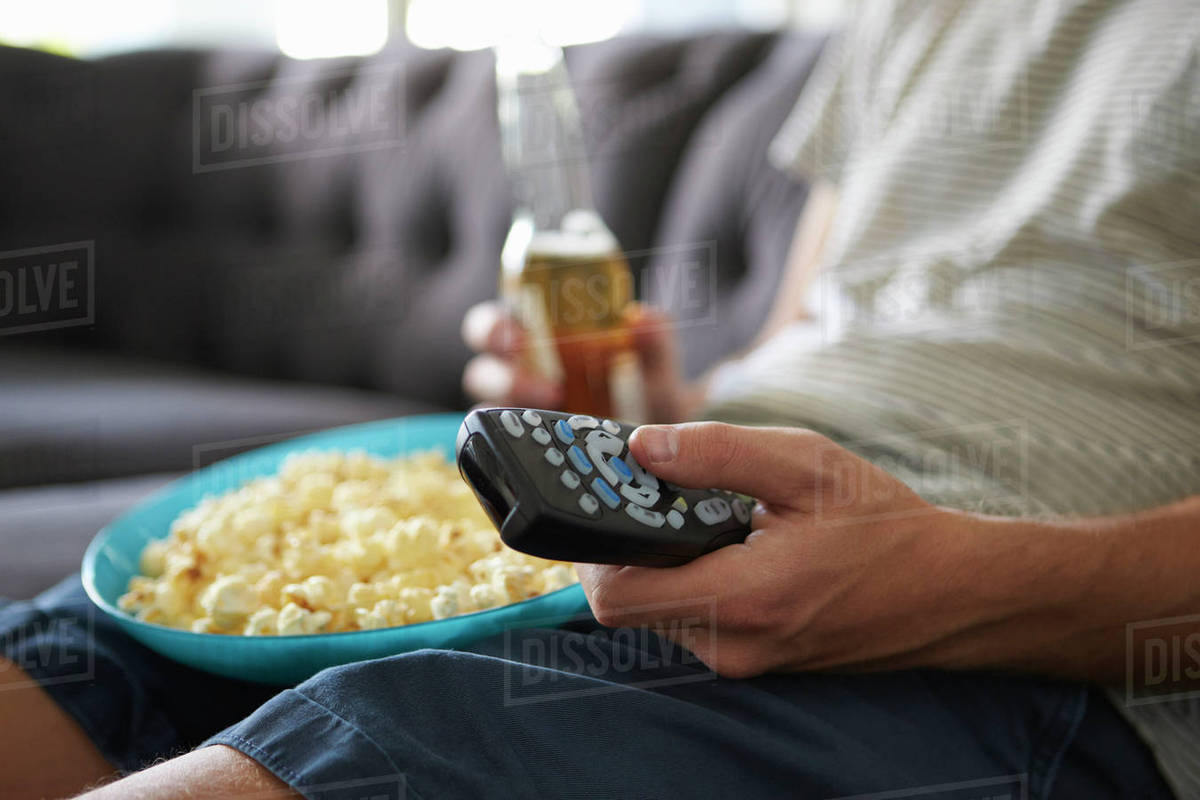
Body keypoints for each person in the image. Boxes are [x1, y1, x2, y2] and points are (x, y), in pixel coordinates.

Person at [3, 0, 1198, 797]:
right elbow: (813, 338)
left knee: (373, 730)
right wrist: (676, 398)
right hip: (736, 516)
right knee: (86, 647)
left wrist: (952, 584)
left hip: (1037, 649)